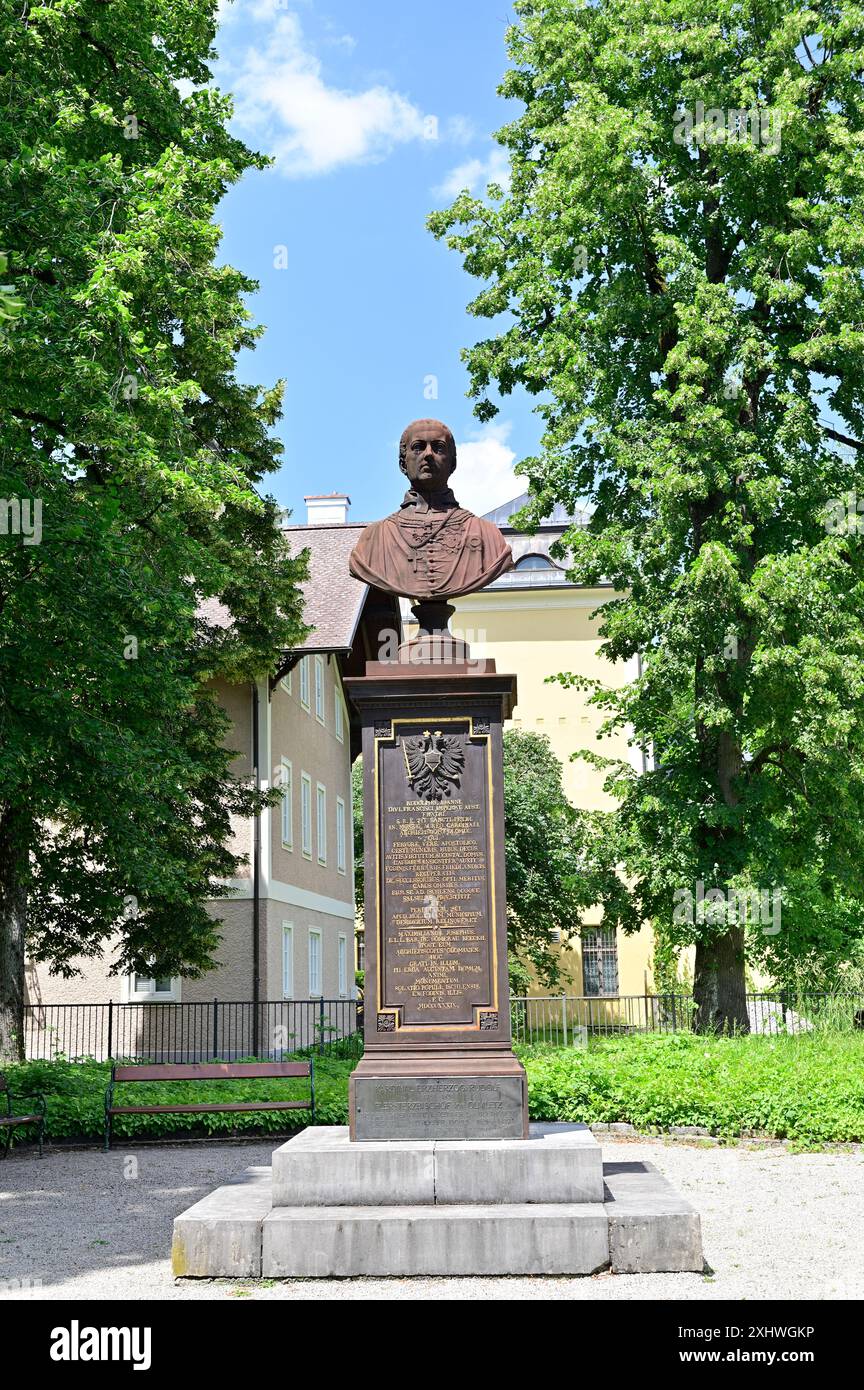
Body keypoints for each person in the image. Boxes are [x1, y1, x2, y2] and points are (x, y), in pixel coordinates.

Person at [348, 419, 513, 601]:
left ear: (453, 463)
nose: (428, 454)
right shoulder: (375, 539)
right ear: (403, 463)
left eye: (438, 448)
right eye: (418, 447)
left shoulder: (486, 535)